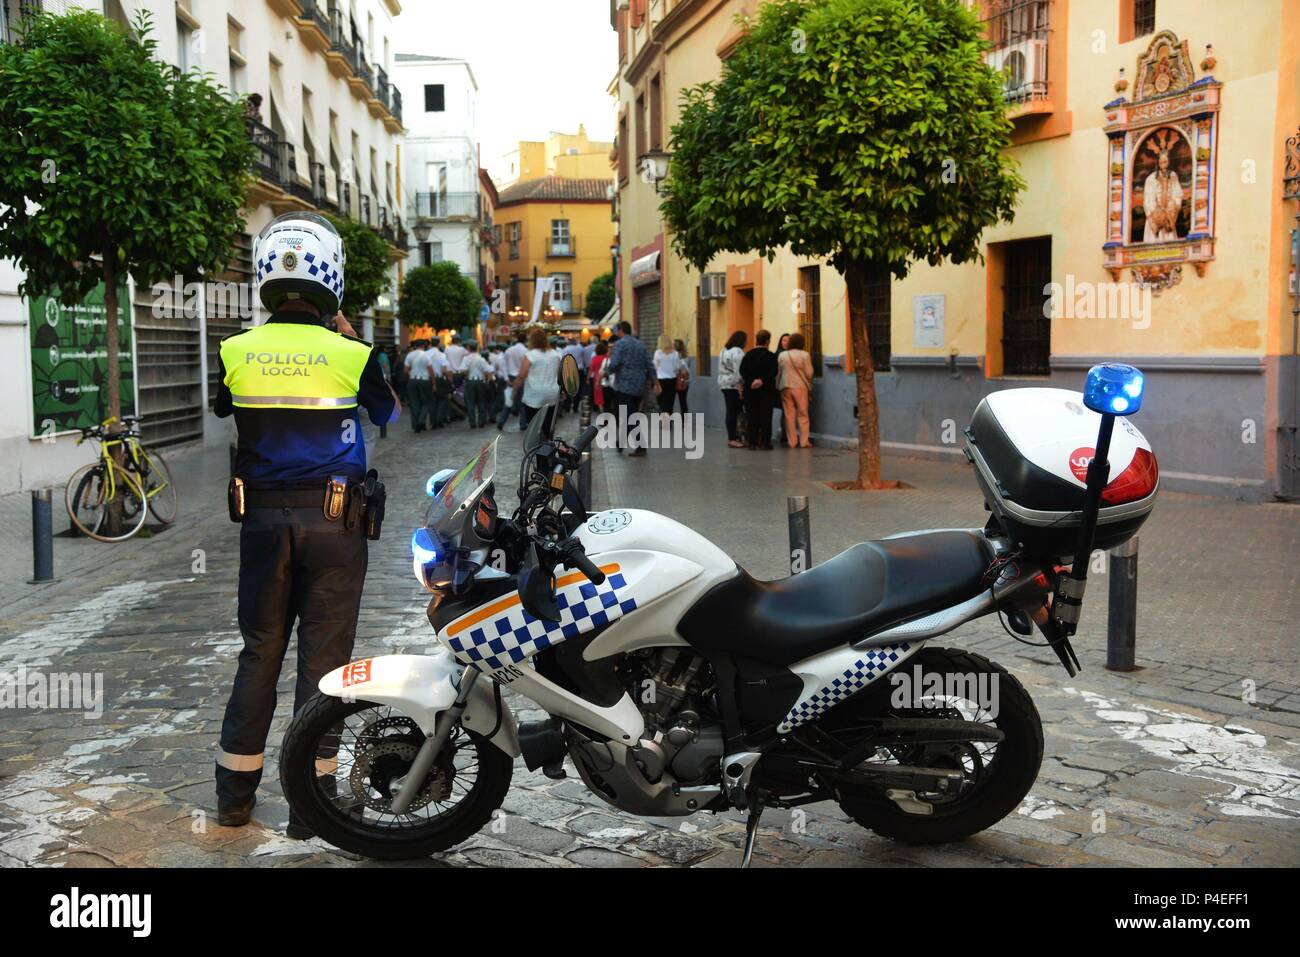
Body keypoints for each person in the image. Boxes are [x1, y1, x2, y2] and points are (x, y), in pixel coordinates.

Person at [212, 211, 399, 837]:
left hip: (262, 522)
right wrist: (343, 334)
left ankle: (234, 798)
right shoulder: (353, 353)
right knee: (325, 661)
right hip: (335, 523)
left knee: (259, 651)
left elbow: (224, 404)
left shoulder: (234, 350)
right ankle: (308, 807)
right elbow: (390, 414)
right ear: (332, 280)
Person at [604, 320, 652, 456]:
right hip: (639, 386)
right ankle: (621, 443)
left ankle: (641, 446)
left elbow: (614, 364)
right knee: (630, 414)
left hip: (625, 386)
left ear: (620, 331)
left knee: (629, 416)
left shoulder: (620, 344)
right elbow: (649, 364)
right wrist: (655, 381)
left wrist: (605, 372)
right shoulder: (641, 344)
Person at [514, 326, 561, 428]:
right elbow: (559, 375)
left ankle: (536, 443)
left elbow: (521, 376)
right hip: (552, 394)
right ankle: (547, 442)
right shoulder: (556, 355)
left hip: (534, 396)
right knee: (548, 425)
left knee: (534, 426)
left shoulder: (530, 355)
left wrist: (514, 390)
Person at [740, 329, 778, 450]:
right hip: (766, 390)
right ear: (767, 341)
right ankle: (766, 442)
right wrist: (761, 381)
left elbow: (742, 371)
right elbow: (774, 372)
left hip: (750, 390)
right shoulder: (771, 356)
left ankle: (752, 442)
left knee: (752, 416)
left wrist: (752, 382)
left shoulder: (748, 355)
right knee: (766, 416)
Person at [778, 332, 815, 449]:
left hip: (785, 387)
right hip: (800, 387)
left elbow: (779, 373)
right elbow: (809, 373)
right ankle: (804, 442)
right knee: (803, 414)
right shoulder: (805, 355)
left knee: (789, 415)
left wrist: (778, 385)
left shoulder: (783, 355)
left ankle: (792, 441)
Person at [718, 331, 747, 448]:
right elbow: (738, 372)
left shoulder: (723, 350)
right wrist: (740, 387)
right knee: (734, 412)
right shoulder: (738, 352)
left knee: (731, 411)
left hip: (724, 383)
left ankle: (734, 436)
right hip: (734, 385)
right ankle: (733, 438)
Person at [496, 331, 528, 430]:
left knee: (509, 400)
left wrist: (506, 378)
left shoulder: (509, 350)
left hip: (511, 377)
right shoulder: (526, 351)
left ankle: (501, 420)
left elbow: (504, 365)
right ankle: (522, 424)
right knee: (523, 401)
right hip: (522, 377)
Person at [462, 341, 494, 428]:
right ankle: (481, 422)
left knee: (470, 403)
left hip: (470, 381)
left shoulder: (466, 359)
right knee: (481, 402)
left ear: (468, 348)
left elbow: (463, 370)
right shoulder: (481, 359)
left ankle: (472, 423)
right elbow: (489, 370)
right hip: (480, 382)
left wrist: (467, 375)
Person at [403, 340, 433, 432]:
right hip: (424, 380)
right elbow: (430, 370)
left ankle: (416, 425)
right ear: (424, 345)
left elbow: (405, 370)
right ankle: (421, 421)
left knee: (414, 403)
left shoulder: (410, 355)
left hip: (413, 380)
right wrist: (433, 383)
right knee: (426, 402)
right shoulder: (427, 355)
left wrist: (411, 374)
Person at [653, 334, 681, 415]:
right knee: (670, 403)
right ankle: (668, 422)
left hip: (660, 381)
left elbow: (655, 368)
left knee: (662, 404)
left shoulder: (657, 353)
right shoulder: (675, 354)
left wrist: (655, 383)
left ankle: (665, 423)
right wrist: (678, 382)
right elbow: (677, 368)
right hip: (672, 380)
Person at [589, 339, 609, 414]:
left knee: (599, 396)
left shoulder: (594, 358)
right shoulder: (606, 357)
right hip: (605, 378)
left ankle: (601, 411)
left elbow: (591, 370)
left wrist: (588, 379)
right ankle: (607, 411)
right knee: (605, 396)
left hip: (597, 379)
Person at [673, 338, 690, 414]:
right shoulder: (686, 356)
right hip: (685, 381)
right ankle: (684, 422)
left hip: (674, 380)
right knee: (683, 402)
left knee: (670, 402)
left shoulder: (673, 356)